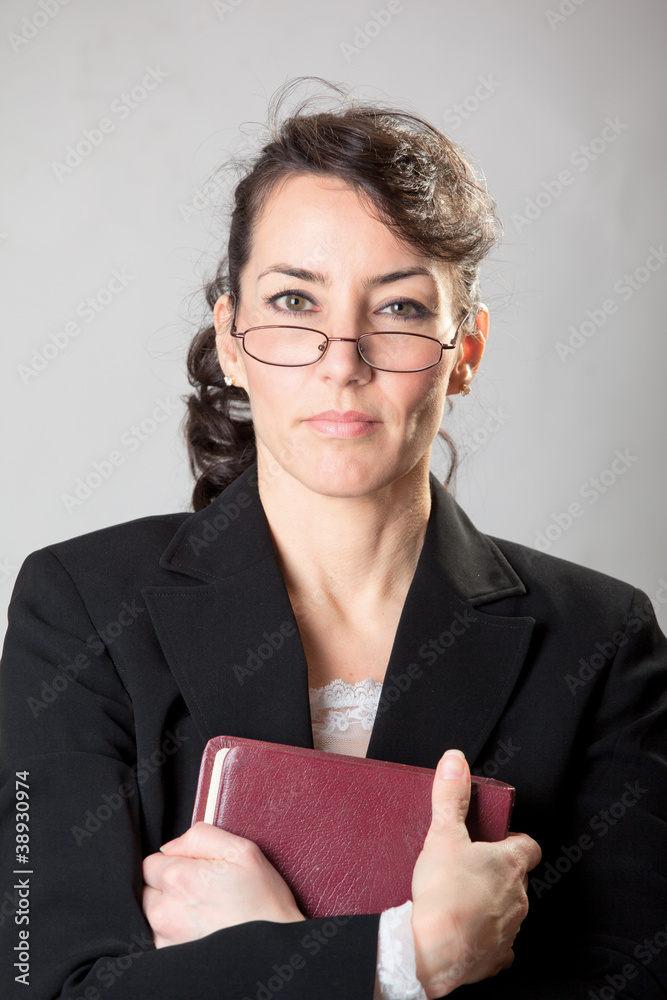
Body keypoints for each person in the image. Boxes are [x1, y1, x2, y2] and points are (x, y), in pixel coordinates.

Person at [0, 78, 665, 1000]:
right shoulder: (79, 606)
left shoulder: (601, 639)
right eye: (294, 301)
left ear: (465, 352)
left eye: (398, 309)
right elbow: (43, 983)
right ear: (231, 340)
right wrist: (408, 960)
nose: (341, 361)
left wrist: (268, 952)